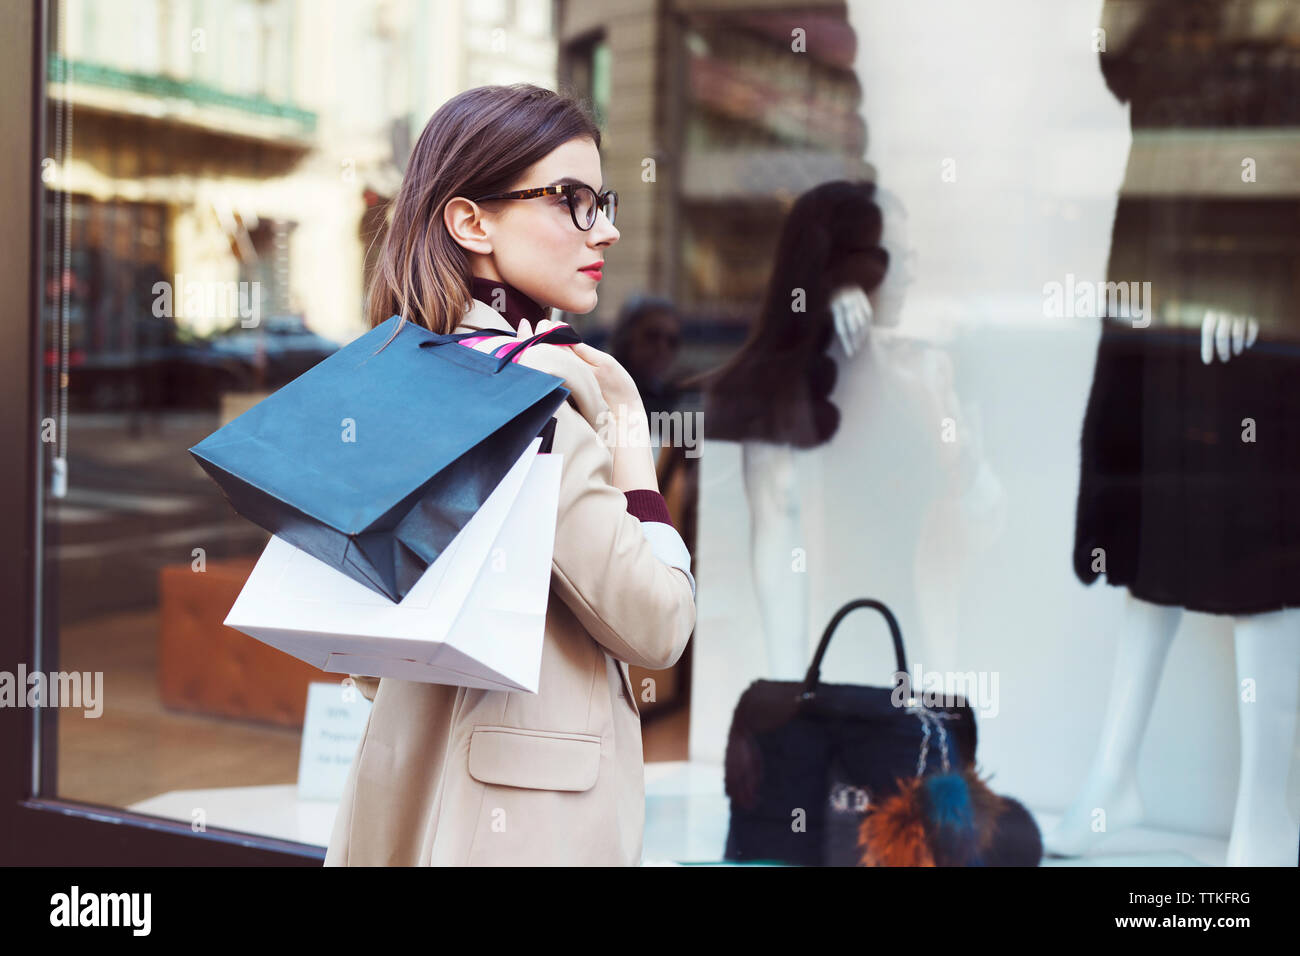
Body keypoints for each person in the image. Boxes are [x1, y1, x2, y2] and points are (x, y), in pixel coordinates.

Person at [324, 84, 697, 866]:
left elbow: (363, 661)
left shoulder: (406, 379)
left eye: (605, 201)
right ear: (471, 220)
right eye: (573, 200)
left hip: (415, 788)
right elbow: (658, 626)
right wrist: (631, 440)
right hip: (525, 824)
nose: (608, 227)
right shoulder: (536, 410)